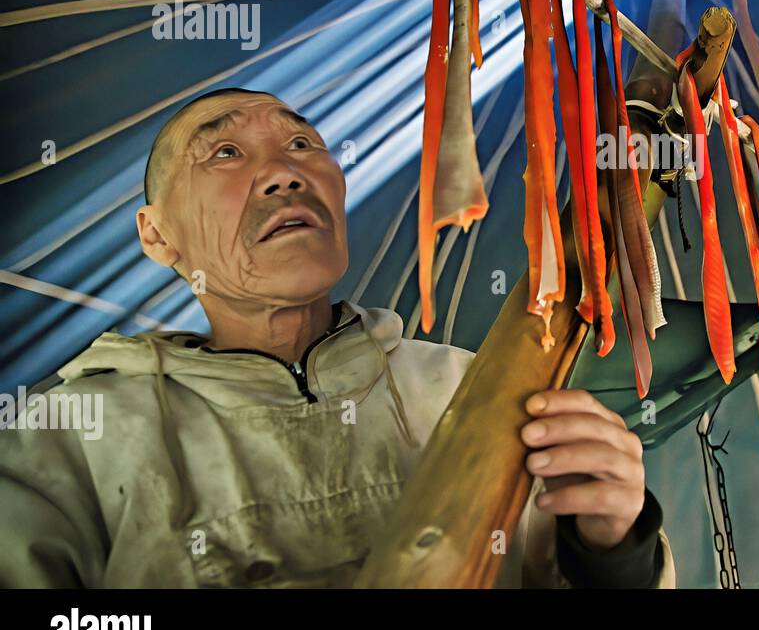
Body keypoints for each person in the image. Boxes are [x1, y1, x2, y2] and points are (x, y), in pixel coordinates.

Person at [0, 88, 673, 588]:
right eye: (226, 152)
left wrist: (615, 544)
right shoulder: (72, 438)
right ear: (156, 235)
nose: (286, 172)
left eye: (302, 145)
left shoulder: (471, 388)